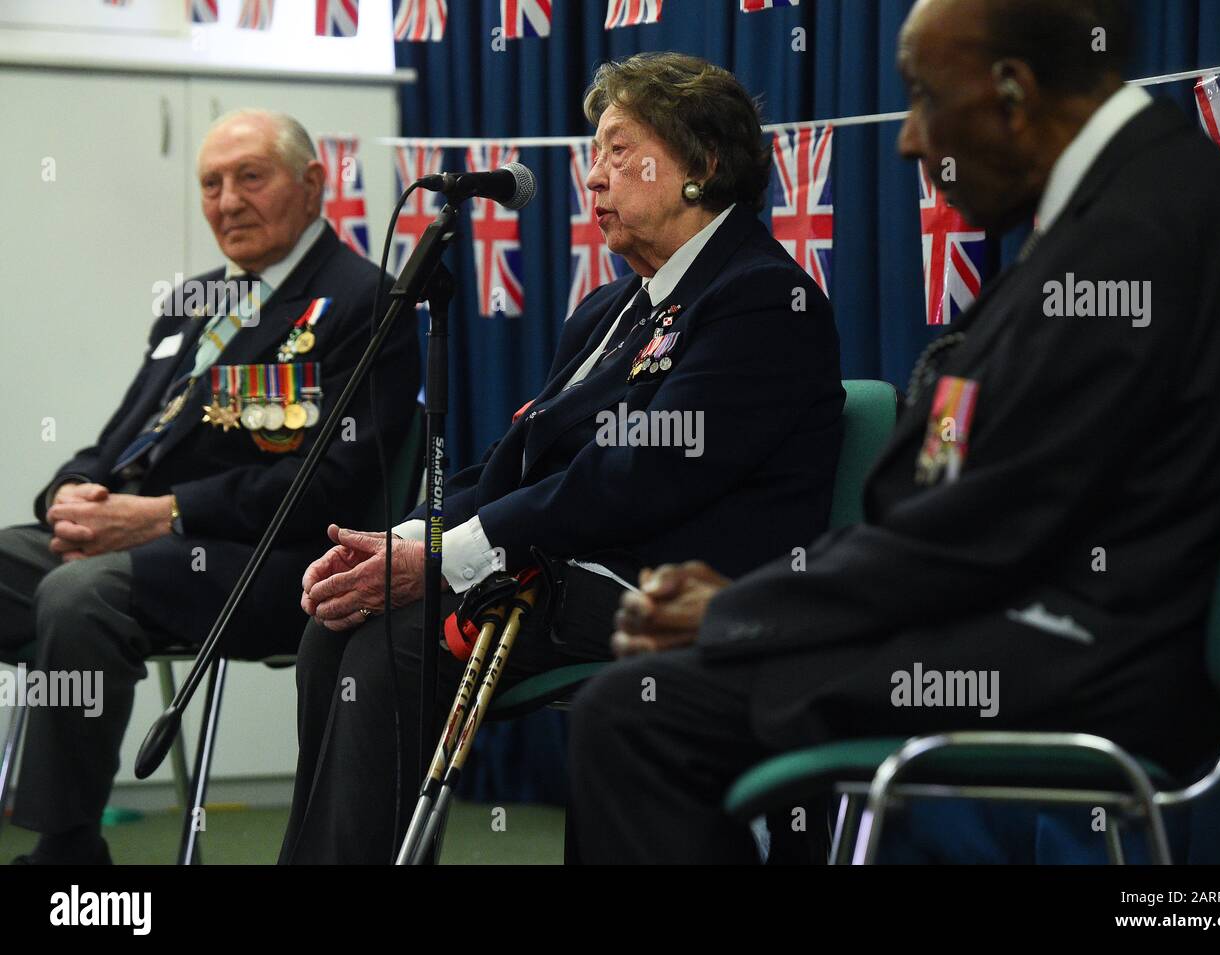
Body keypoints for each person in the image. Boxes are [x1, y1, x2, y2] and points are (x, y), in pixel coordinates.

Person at [566, 0, 1220, 863]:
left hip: (1088, 659)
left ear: (1011, 91)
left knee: (639, 713)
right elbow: (961, 509)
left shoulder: (1144, 231)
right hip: (1030, 618)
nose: (910, 140)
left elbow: (981, 529)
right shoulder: (1116, 206)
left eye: (923, 99)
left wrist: (741, 612)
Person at [278, 52, 845, 864]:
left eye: (621, 151)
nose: (594, 176)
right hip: (563, 579)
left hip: (670, 593)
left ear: (703, 165)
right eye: (594, 152)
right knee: (340, 623)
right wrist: (411, 538)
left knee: (395, 641)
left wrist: (447, 559)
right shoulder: (609, 309)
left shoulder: (760, 299)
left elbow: (637, 478)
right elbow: (516, 462)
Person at [0, 109, 420, 865]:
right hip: (126, 537)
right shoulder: (196, 299)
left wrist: (162, 516)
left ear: (313, 184)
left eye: (250, 178)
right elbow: (125, 434)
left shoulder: (366, 303)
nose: (228, 201)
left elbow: (327, 484)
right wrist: (68, 493)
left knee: (76, 595)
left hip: (265, 561)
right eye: (211, 184)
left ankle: (64, 851)